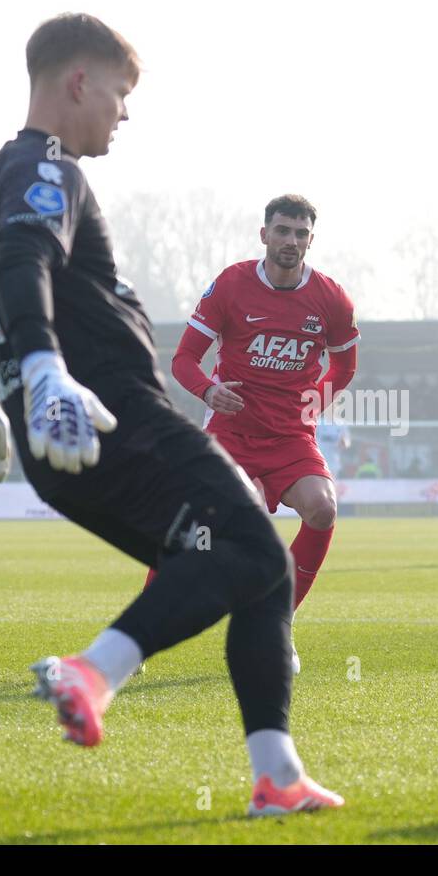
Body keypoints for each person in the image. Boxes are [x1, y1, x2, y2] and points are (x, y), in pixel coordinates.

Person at [0, 13, 341, 816]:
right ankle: (94, 673)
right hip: (109, 417)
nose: (125, 112)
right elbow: (25, 258)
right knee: (257, 549)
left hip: (60, 444)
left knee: (257, 565)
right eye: (120, 93)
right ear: (79, 82)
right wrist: (45, 370)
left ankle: (277, 776)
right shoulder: (48, 167)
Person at [162, 194, 360, 674]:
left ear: (311, 240)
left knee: (323, 508)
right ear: (264, 234)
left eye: (300, 233)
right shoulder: (232, 285)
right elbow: (183, 359)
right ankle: (142, 629)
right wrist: (209, 391)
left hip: (291, 437)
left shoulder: (331, 298)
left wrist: (313, 405)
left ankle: (277, 624)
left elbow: (344, 366)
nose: (291, 240)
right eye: (282, 230)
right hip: (232, 433)